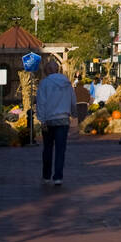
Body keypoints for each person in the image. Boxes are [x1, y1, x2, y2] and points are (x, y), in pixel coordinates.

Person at [35, 54, 76, 185]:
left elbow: (41, 102)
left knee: (47, 148)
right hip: (63, 119)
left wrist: (42, 119)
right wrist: (73, 113)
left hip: (49, 119)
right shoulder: (66, 82)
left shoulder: (44, 83)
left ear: (47, 70)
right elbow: (72, 100)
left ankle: (46, 175)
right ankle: (58, 177)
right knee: (60, 149)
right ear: (57, 69)